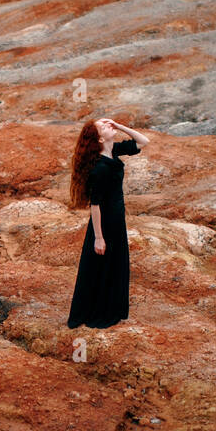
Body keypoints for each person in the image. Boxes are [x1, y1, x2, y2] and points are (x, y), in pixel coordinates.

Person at [66, 117, 150, 329]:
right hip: (105, 223)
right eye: (103, 127)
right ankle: (97, 312)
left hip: (116, 219)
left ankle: (112, 309)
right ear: (100, 138)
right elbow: (95, 205)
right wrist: (99, 237)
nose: (109, 126)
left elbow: (143, 141)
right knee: (101, 266)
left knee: (114, 265)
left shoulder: (113, 152)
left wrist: (119, 126)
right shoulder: (100, 168)